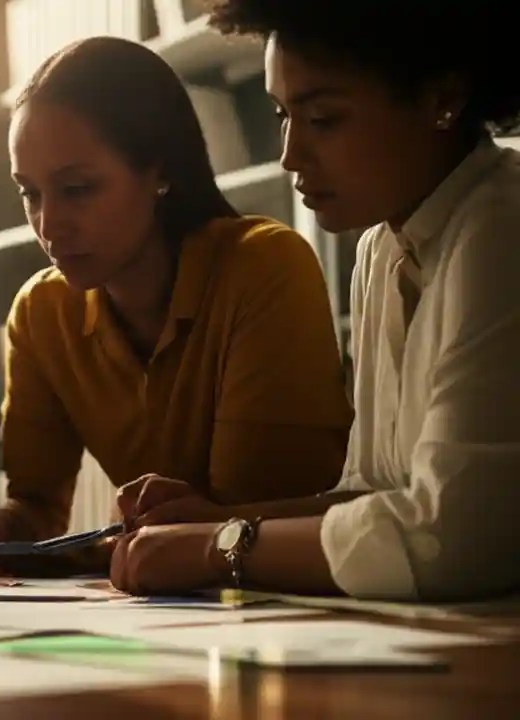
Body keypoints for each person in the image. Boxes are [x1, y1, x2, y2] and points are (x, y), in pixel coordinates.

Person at [111, 0, 520, 602]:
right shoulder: (383, 248)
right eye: (281, 114)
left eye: (323, 119)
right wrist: (214, 514)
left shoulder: (501, 228)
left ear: (442, 101)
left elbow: (451, 537)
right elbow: (372, 494)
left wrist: (216, 545)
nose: (289, 154)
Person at [0, 36, 353, 576]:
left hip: (304, 589)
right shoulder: (42, 311)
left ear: (159, 171)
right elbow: (36, 509)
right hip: (168, 601)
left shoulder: (263, 267)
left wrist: (125, 545)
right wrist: (3, 531)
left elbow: (245, 519)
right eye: (30, 193)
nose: (47, 225)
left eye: (77, 188)